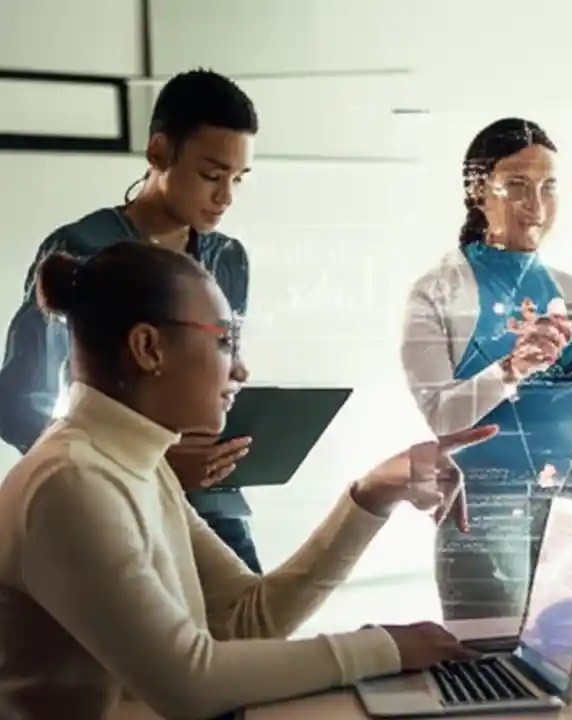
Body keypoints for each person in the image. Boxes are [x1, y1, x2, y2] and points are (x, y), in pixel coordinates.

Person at [0, 242, 499, 719]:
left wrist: (373, 494)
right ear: (148, 347)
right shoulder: (71, 482)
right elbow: (187, 683)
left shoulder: (135, 464)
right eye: (222, 341)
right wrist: (385, 647)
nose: (240, 368)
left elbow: (246, 619)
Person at [0, 68, 266, 571]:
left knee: (258, 626)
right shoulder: (84, 250)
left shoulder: (229, 259)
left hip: (211, 502)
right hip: (115, 503)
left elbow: (209, 382)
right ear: (159, 152)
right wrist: (141, 464)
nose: (226, 197)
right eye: (212, 176)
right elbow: (19, 400)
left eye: (237, 179)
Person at [401, 117, 572, 620]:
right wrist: (512, 367)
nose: (537, 206)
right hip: (486, 512)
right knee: (494, 668)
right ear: (477, 191)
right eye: (517, 187)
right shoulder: (436, 293)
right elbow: (443, 418)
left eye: (549, 187)